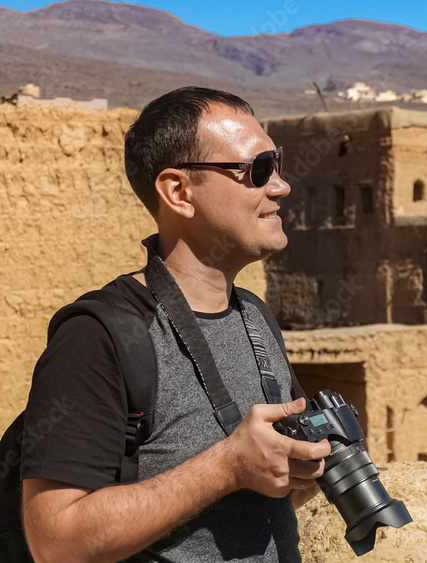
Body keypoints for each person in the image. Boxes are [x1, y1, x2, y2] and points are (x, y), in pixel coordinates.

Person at [19, 86, 331, 562]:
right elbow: (55, 542)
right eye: (258, 169)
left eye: (278, 164)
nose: (281, 186)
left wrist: (303, 466)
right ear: (179, 192)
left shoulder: (254, 318)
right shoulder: (101, 334)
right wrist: (226, 466)